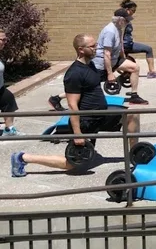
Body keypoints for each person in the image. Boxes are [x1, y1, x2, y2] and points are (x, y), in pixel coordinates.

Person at [11, 33, 141, 177]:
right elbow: (72, 105)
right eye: (92, 46)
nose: (96, 49)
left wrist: (118, 75)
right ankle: (22, 157)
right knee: (72, 164)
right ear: (80, 49)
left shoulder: (90, 65)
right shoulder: (74, 74)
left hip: (101, 115)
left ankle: (134, 156)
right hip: (87, 121)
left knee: (131, 114)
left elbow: (96, 80)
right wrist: (77, 134)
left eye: (96, 45)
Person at [48, 10, 148, 110]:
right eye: (127, 20)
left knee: (134, 67)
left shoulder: (119, 28)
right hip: (102, 63)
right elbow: (106, 54)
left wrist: (123, 59)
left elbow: (120, 45)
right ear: (120, 20)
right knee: (91, 84)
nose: (128, 22)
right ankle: (56, 98)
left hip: (114, 60)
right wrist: (110, 73)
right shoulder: (110, 31)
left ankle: (134, 96)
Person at [119, 0, 156, 79]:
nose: (134, 12)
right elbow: (120, 36)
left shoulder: (127, 19)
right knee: (148, 49)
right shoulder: (122, 20)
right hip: (125, 46)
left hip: (129, 44)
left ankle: (150, 72)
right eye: (133, 10)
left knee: (148, 49)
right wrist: (121, 51)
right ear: (127, 9)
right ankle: (152, 72)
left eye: (135, 11)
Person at [0, 29, 21, 137]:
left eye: (5, 40)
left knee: (9, 100)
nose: (4, 42)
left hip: (0, 88)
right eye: (2, 40)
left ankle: (9, 130)